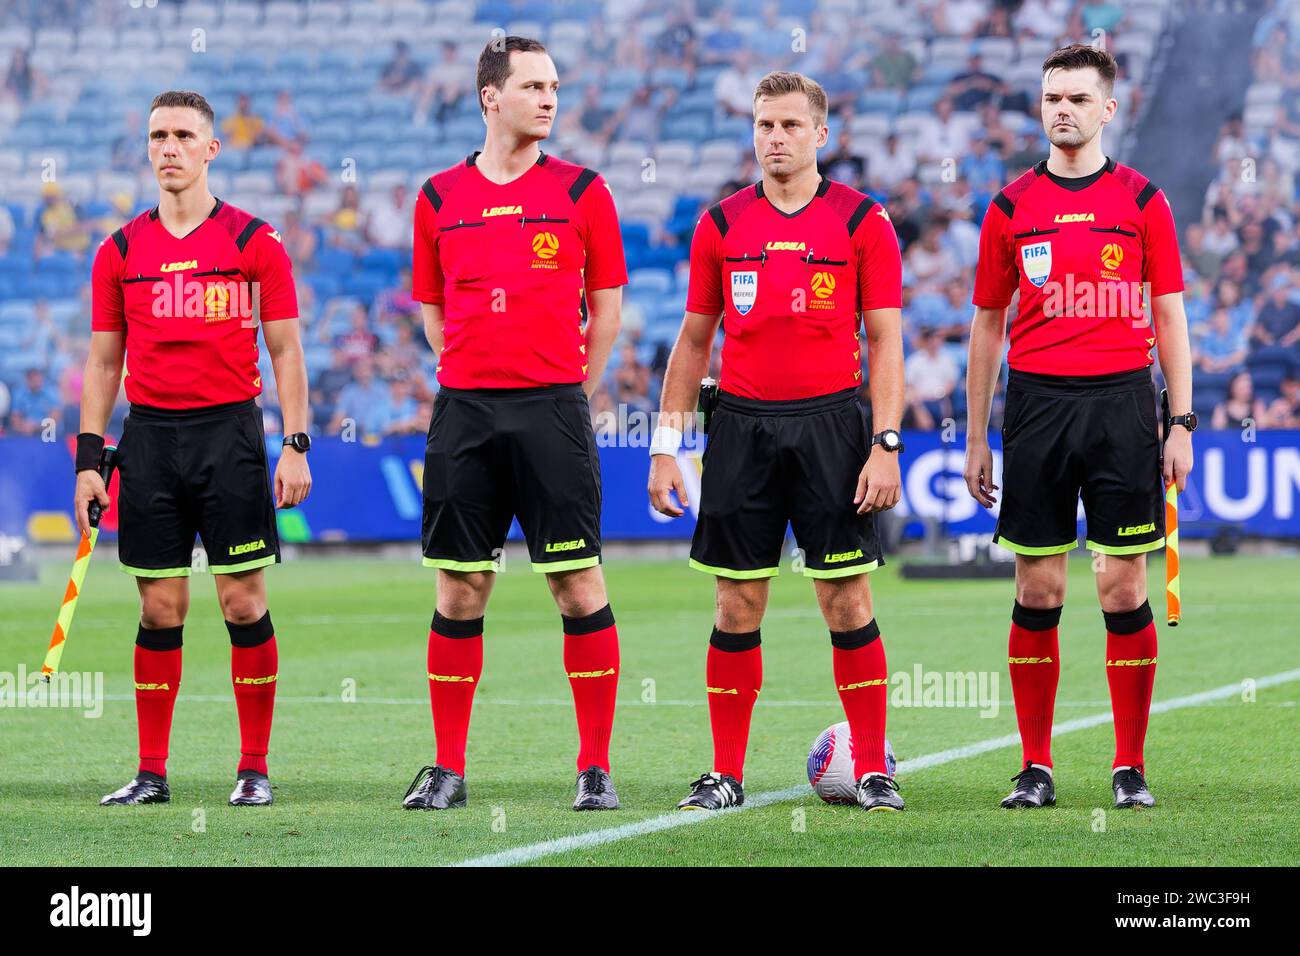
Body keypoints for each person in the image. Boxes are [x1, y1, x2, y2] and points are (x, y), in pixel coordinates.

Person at [647, 71, 906, 813]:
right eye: (764, 125)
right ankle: (724, 772)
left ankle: (872, 767)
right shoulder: (722, 223)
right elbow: (694, 341)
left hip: (833, 427)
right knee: (736, 604)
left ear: (821, 134)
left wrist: (885, 441)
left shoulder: (863, 222)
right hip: (742, 430)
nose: (776, 139)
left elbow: (885, 340)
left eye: (791, 126)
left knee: (846, 601)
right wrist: (667, 444)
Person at [964, 45, 1193, 812]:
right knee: (1039, 583)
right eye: (1051, 97)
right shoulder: (1008, 206)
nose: (1062, 109)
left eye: (1076, 98)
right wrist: (974, 435)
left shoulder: (1142, 200)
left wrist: (1181, 420)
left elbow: (1169, 316)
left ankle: (1130, 767)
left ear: (1108, 110)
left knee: (1123, 585)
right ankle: (1035, 766)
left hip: (1124, 404)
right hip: (1035, 407)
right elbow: (987, 326)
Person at [408, 37, 627, 812]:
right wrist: (472, 371)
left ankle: (594, 767)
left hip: (553, 409)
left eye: (556, 86)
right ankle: (446, 767)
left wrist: (573, 388)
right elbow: (432, 307)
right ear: (489, 97)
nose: (550, 99)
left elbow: (606, 306)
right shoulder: (437, 197)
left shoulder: (583, 191)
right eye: (533, 85)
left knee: (576, 581)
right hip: (465, 412)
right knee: (461, 586)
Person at [78, 90, 311, 809]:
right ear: (147, 149)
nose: (169, 147)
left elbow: (286, 350)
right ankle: (152, 773)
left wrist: (296, 443)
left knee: (242, 603)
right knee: (160, 608)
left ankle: (254, 768)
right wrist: (90, 458)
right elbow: (102, 363)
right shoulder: (119, 251)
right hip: (149, 440)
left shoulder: (253, 242)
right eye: (158, 135)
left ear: (212, 148)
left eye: (183, 135)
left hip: (230, 436)